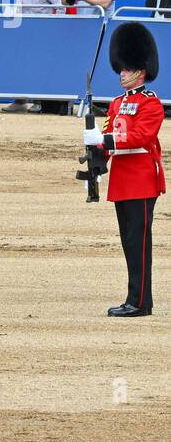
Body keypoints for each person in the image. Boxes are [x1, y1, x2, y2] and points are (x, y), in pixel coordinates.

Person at [84, 22, 165, 317]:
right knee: (128, 242)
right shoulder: (117, 104)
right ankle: (135, 297)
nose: (121, 73)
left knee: (138, 243)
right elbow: (108, 140)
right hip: (121, 180)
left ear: (141, 71)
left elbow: (141, 136)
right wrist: (95, 159)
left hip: (142, 179)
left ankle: (141, 302)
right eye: (121, 68)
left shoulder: (151, 104)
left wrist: (106, 139)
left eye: (127, 69)